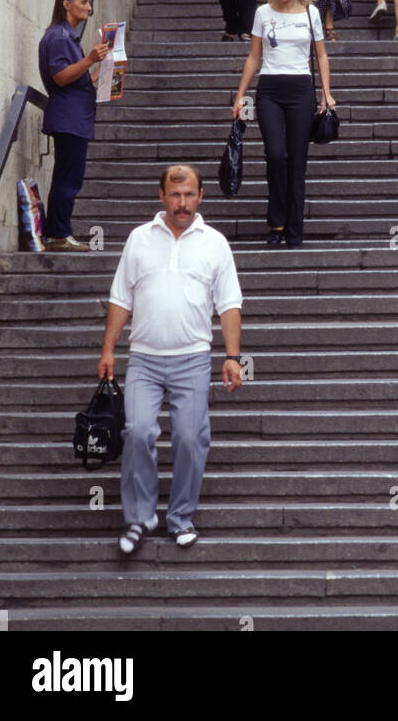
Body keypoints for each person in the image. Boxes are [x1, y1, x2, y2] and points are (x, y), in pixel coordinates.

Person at [98, 164, 243, 553]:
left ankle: (180, 518)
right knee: (139, 432)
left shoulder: (215, 243)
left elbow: (229, 304)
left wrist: (232, 356)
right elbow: (120, 299)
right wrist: (108, 350)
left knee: (189, 438)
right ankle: (139, 518)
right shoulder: (138, 239)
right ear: (161, 196)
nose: (182, 203)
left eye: (189, 195)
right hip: (144, 359)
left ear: (201, 197)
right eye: (175, 195)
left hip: (193, 358)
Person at [232, 0, 334, 248]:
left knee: (297, 160)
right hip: (270, 89)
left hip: (301, 89)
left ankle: (293, 229)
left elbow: (321, 55)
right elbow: (254, 56)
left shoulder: (310, 13)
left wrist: (326, 93)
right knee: (276, 155)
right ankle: (276, 222)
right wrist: (241, 94)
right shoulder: (263, 13)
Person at [38, 0, 109, 252]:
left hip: (74, 115)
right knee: (68, 176)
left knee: (69, 175)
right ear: (66, 4)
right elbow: (60, 76)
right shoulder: (59, 36)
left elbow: (73, 77)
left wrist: (97, 74)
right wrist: (90, 59)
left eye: (89, 2)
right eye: (83, 2)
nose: (89, 7)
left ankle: (58, 231)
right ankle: (58, 234)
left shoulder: (66, 35)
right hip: (69, 116)